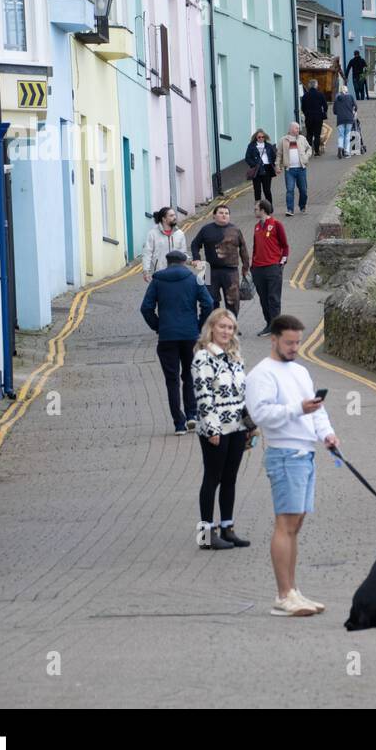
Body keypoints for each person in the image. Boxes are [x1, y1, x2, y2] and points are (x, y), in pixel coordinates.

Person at [244, 314, 338, 617]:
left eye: (298, 342)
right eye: (289, 342)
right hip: (284, 454)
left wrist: (327, 434)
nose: (294, 347)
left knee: (295, 526)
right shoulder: (262, 375)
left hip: (305, 453)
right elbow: (261, 414)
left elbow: (316, 409)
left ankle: (293, 591)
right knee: (285, 525)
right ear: (274, 339)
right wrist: (298, 409)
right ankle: (283, 596)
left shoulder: (300, 371)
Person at [192, 308, 254, 550]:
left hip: (237, 426)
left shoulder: (235, 355)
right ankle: (206, 535)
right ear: (211, 328)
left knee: (230, 478)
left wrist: (249, 424)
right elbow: (203, 394)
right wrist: (212, 429)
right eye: (222, 327)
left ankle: (227, 529)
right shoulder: (203, 357)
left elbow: (243, 391)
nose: (227, 331)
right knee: (212, 478)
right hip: (215, 428)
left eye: (230, 327)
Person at [140, 250, 213, 436]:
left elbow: (146, 308)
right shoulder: (194, 279)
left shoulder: (157, 281)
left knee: (171, 380)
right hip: (190, 336)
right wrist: (198, 325)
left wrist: (158, 326)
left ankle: (178, 424)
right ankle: (191, 415)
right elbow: (208, 303)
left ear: (168, 262)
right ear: (183, 262)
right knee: (189, 375)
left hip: (167, 337)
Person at [190, 203, 251, 318]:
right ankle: (213, 325)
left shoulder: (235, 230)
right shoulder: (206, 230)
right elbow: (195, 244)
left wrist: (245, 267)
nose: (224, 215)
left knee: (233, 301)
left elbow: (243, 249)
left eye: (227, 213)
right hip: (209, 271)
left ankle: (232, 325)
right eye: (221, 213)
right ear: (214, 216)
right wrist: (196, 259)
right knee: (210, 301)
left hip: (231, 271)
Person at [250, 199, 289, 336]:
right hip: (258, 268)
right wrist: (252, 265)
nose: (254, 211)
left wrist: (281, 263)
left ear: (263, 210)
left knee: (274, 298)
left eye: (256, 209)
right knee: (263, 298)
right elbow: (255, 247)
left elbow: (285, 246)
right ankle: (269, 324)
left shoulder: (276, 224)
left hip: (273, 267)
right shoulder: (256, 227)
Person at [141, 207, 187, 283]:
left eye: (174, 215)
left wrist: (192, 262)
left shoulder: (180, 234)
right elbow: (147, 253)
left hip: (177, 274)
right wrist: (146, 271)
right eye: (171, 216)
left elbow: (183, 254)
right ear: (164, 219)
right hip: (160, 274)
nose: (175, 217)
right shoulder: (152, 234)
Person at [278, 121, 312, 217]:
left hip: (301, 168)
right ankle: (290, 209)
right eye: (296, 128)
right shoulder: (283, 140)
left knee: (303, 190)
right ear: (291, 129)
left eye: (298, 128)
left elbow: (309, 149)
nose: (298, 130)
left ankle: (302, 206)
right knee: (290, 190)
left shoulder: (302, 139)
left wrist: (306, 157)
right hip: (289, 170)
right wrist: (277, 166)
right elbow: (279, 154)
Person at [244, 128, 277, 210]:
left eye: (263, 137)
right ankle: (257, 209)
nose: (261, 138)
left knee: (267, 190)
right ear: (256, 137)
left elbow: (274, 156)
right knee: (257, 190)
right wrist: (254, 165)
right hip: (257, 170)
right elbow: (247, 158)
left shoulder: (268, 146)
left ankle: (269, 207)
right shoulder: (251, 146)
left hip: (267, 169)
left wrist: (273, 164)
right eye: (259, 137)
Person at [301, 79, 328, 155]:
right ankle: (317, 151)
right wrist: (323, 112)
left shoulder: (305, 96)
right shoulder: (320, 94)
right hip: (318, 117)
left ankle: (309, 151)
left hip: (309, 117)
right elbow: (325, 106)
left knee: (309, 134)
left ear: (309, 86)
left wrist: (306, 113)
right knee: (317, 135)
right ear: (316, 85)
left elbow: (303, 107)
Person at [333, 85, 357, 159]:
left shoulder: (337, 99)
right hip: (349, 118)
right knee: (347, 135)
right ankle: (346, 152)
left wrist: (340, 112)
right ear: (347, 91)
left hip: (340, 119)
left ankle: (340, 147)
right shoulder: (350, 97)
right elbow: (356, 107)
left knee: (341, 135)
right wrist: (352, 111)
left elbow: (334, 111)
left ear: (340, 92)